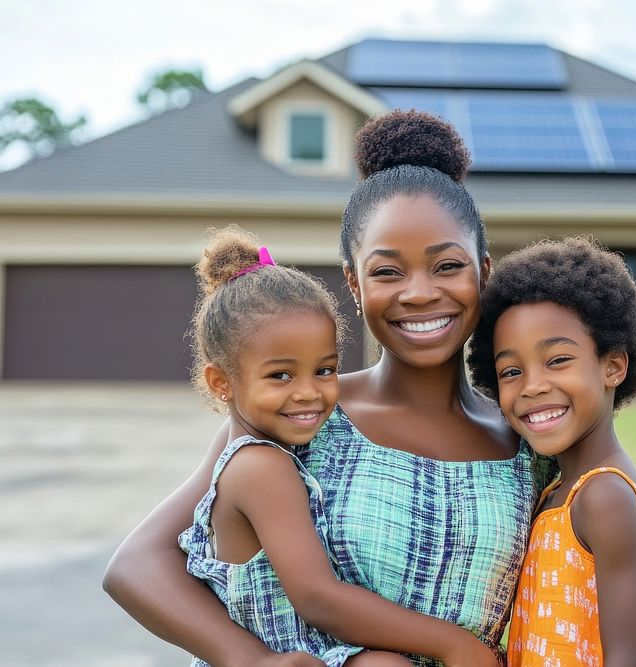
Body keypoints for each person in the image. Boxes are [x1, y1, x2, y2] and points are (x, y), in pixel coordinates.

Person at [103, 110, 549, 667]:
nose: (418, 293)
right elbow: (137, 567)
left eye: (447, 266)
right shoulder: (303, 419)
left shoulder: (527, 444)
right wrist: (252, 662)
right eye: (387, 272)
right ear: (353, 283)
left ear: (483, 272)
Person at [177, 224, 499, 666]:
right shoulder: (259, 468)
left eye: (325, 371)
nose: (309, 392)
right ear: (221, 382)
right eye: (281, 375)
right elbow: (318, 597)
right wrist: (454, 643)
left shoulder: (270, 454)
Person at [466, 236, 636, 666]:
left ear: (613, 365)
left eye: (557, 360)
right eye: (511, 371)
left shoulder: (604, 496)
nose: (533, 385)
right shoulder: (556, 491)